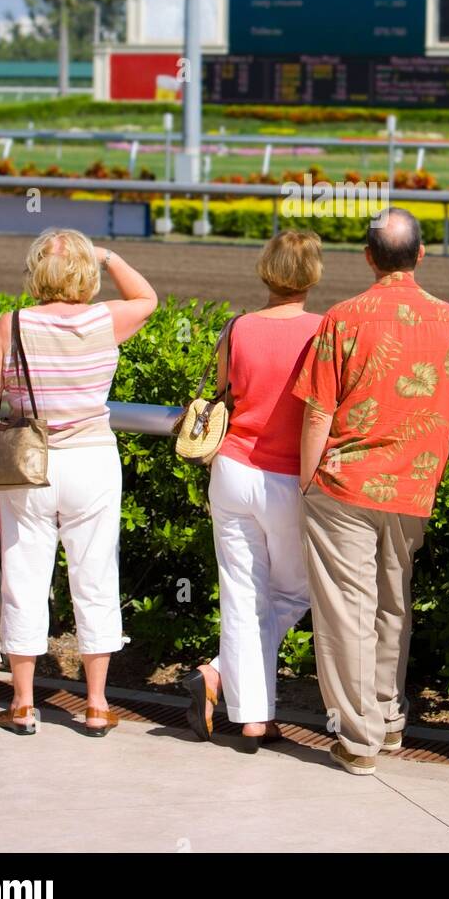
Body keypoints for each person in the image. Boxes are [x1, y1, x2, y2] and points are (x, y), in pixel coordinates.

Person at [293, 208, 449, 775]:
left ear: (369, 258)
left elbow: (318, 412)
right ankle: (390, 718)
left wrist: (305, 484)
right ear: (421, 254)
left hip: (344, 487)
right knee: (392, 605)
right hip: (413, 489)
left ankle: (357, 738)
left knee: (348, 612)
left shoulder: (343, 320)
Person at [0, 231, 157, 736]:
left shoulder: (13, 324)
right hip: (93, 459)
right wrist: (109, 255)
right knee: (95, 577)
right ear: (84, 274)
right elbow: (148, 297)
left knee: (25, 577)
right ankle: (96, 704)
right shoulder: (106, 319)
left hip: (28, 466)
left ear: (36, 274)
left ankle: (24, 703)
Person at [185, 230, 323, 750]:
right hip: (289, 478)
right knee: (295, 593)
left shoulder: (237, 328)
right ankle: (223, 682)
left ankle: (251, 715)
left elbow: (224, 392)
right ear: (312, 274)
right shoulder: (323, 331)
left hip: (232, 469)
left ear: (266, 270)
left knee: (243, 597)